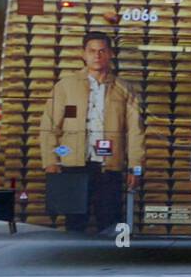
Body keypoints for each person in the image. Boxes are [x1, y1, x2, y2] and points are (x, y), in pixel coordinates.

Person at [39, 31, 146, 233]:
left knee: (109, 218)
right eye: (92, 51)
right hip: (73, 164)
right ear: (83, 54)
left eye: (102, 51)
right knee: (74, 220)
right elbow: (50, 126)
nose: (97, 56)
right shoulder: (66, 86)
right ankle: (75, 260)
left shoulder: (124, 89)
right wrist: (50, 161)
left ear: (110, 54)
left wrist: (135, 166)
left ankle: (107, 261)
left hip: (109, 167)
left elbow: (135, 131)